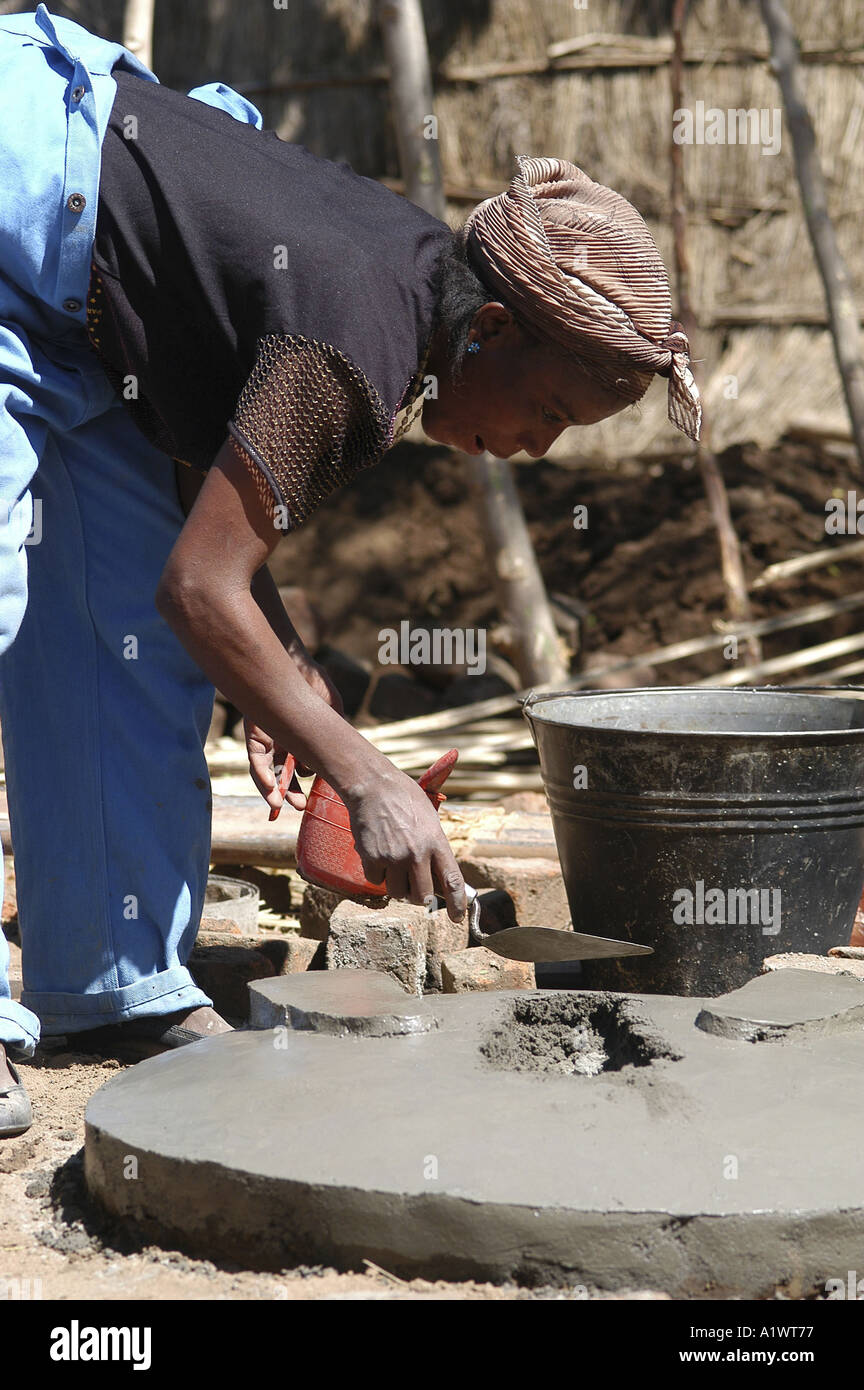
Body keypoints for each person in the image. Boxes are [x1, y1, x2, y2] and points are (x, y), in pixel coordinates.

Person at [0, 6, 700, 1136]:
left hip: (90, 323)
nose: (537, 450)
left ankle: (111, 987)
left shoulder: (404, 296)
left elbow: (197, 494)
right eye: (552, 410)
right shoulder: (356, 343)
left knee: (113, 625)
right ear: (495, 335)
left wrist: (281, 672)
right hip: (17, 180)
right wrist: (362, 771)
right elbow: (203, 592)